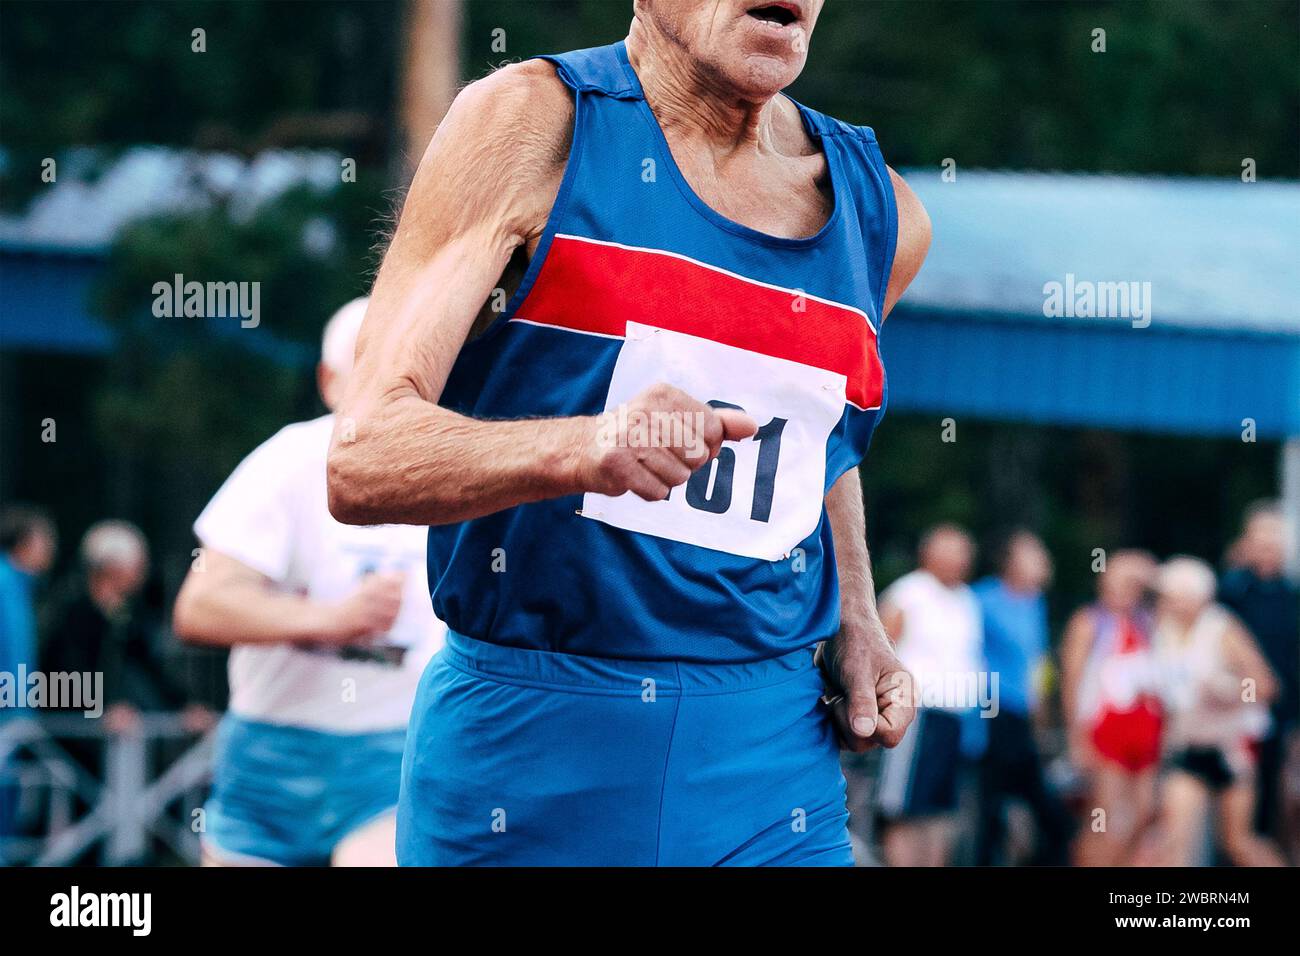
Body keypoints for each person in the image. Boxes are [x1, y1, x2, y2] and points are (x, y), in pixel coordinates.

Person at [327, 0, 930, 865]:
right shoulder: (534, 124)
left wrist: (859, 617)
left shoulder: (885, 215)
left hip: (771, 766)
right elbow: (365, 457)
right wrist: (588, 448)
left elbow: (813, 436)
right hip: (529, 756)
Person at [173, 297, 443, 867]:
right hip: (273, 753)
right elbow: (201, 605)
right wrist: (334, 620)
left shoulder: (451, 467)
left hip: (393, 754)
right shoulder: (288, 460)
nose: (392, 389)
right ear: (329, 381)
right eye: (368, 368)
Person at [1145, 556, 1284, 866]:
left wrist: (1229, 693)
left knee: (1238, 843)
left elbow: (1266, 686)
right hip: (1188, 745)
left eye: (1173, 596)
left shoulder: (1222, 628)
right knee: (1173, 840)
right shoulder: (1162, 630)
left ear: (1196, 598)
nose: (1166, 602)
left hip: (1230, 747)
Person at [874, 525, 982, 866]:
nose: (960, 560)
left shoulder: (966, 599)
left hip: (952, 717)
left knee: (939, 809)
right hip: (915, 715)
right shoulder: (908, 594)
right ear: (929, 552)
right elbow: (879, 650)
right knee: (904, 807)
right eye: (952, 550)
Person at [41, 521, 206, 734]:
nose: (143, 572)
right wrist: (101, 708)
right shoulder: (69, 614)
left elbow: (147, 665)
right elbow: (65, 672)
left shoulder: (124, 616)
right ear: (112, 568)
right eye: (137, 565)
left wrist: (183, 705)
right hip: (67, 735)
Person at [972, 530, 1074, 865]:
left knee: (1020, 804)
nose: (1045, 560)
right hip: (992, 711)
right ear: (1011, 562)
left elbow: (1038, 664)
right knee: (998, 803)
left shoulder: (1035, 604)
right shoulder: (982, 598)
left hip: (1020, 715)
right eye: (1035, 553)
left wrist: (1040, 713)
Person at [1060, 549, 1162, 866]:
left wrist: (1149, 575)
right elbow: (1072, 682)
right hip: (1107, 731)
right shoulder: (1090, 621)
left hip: (1144, 732)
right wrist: (1076, 737)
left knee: (1144, 812)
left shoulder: (1147, 621)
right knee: (1105, 818)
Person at [1218, 501, 1298, 847]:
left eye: (1275, 539)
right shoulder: (1231, 593)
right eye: (1261, 539)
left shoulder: (1291, 596)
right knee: (1237, 813)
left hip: (1284, 716)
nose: (1269, 547)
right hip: (1234, 716)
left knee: (1279, 801)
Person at [0, 505, 57, 861]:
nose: (50, 549)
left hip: (17, 725)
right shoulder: (6, 586)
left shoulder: (21, 589)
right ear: (23, 544)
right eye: (43, 541)